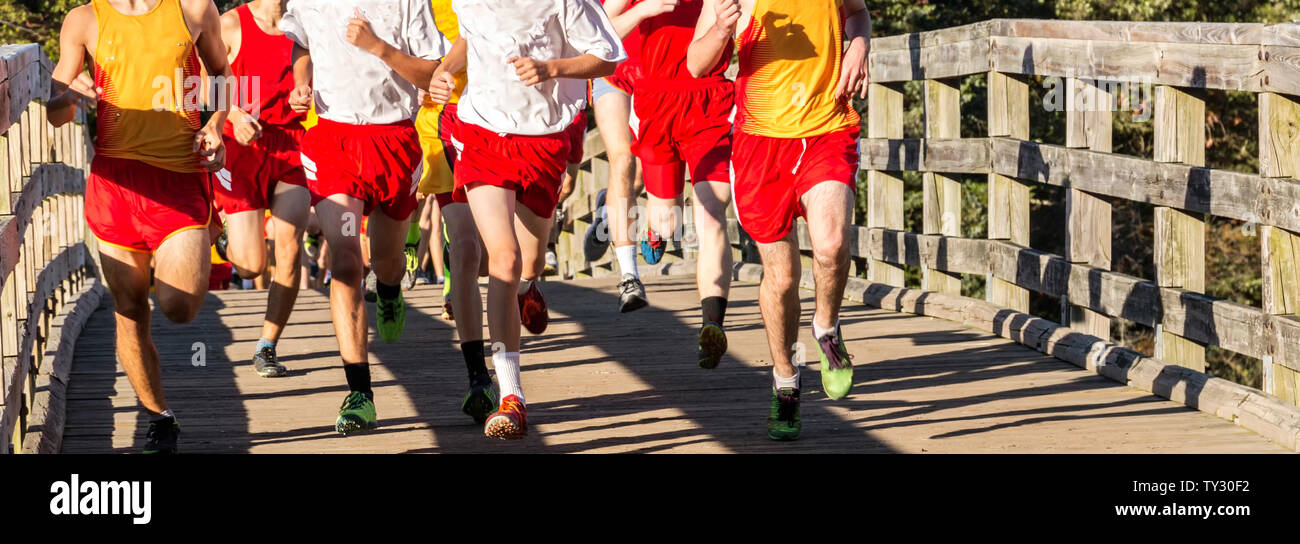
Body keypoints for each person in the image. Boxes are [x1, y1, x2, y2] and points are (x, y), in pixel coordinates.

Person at [428, 0, 624, 439]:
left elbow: (606, 56)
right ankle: (511, 397)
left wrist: (552, 68)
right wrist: (446, 69)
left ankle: (528, 287)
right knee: (504, 256)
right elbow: (470, 34)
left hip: (543, 138)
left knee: (529, 262)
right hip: (481, 132)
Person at [48, 0, 231, 453]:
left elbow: (224, 75)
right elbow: (54, 109)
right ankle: (159, 417)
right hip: (115, 185)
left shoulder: (192, 9)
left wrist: (217, 124)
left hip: (179, 178)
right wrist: (71, 96)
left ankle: (205, 227)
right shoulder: (84, 19)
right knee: (129, 310)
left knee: (179, 306)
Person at [689, 0, 870, 440]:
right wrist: (720, 29)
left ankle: (826, 328)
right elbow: (696, 63)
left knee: (830, 245)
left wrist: (859, 46)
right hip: (759, 144)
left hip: (827, 126)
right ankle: (786, 381)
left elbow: (858, 12)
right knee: (783, 278)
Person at [281, 0, 448, 435]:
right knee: (347, 261)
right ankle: (360, 393)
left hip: (394, 138)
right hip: (334, 139)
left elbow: (432, 76)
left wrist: (378, 47)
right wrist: (303, 84)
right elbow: (301, 44)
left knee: (387, 260)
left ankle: (390, 288)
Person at [606, 0, 734, 369]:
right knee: (668, 222)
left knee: (712, 212)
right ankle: (654, 228)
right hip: (657, 100)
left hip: (709, 98)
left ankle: (712, 324)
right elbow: (602, 34)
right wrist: (643, 9)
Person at [212, 0, 311, 378]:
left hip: (290, 144)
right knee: (251, 264)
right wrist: (234, 115)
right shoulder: (230, 24)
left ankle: (267, 346)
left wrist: (304, 98)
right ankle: (222, 234)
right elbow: (196, 84)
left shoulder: (304, 23)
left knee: (289, 245)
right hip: (240, 149)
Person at [418, 2, 497, 424]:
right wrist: (415, 77)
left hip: (501, 116)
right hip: (442, 122)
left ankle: (524, 284)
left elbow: (479, 29)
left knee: (500, 256)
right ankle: (479, 377)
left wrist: (441, 68)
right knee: (465, 250)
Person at [587, 0, 648, 313]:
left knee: (639, 174)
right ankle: (629, 276)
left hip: (659, 66)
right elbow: (599, 24)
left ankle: (606, 213)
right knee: (622, 160)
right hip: (613, 68)